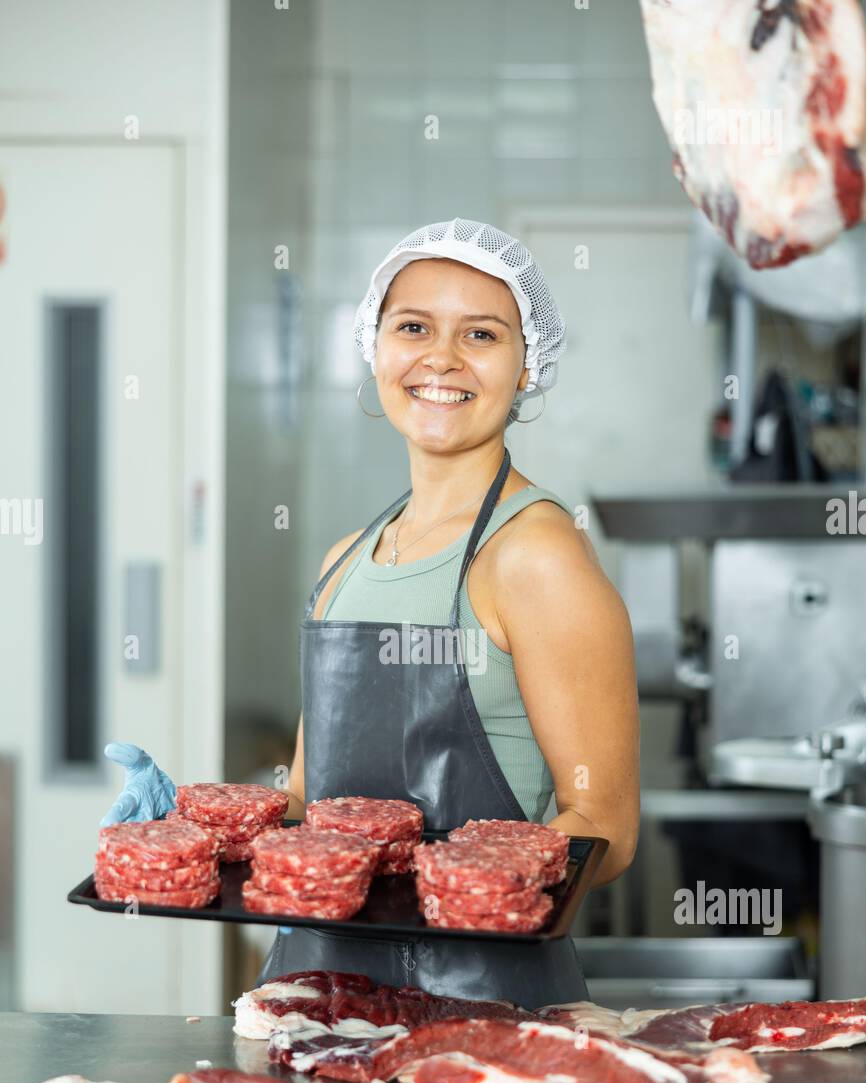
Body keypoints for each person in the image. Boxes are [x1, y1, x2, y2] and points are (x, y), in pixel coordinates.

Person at [103, 218, 640, 1008]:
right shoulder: (344, 562)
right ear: (374, 345)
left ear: (527, 366)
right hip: (310, 991)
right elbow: (310, 799)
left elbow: (609, 823)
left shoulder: (536, 555)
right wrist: (198, 827)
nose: (441, 359)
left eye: (482, 335)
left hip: (480, 1004)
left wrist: (473, 877)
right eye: (414, 327)